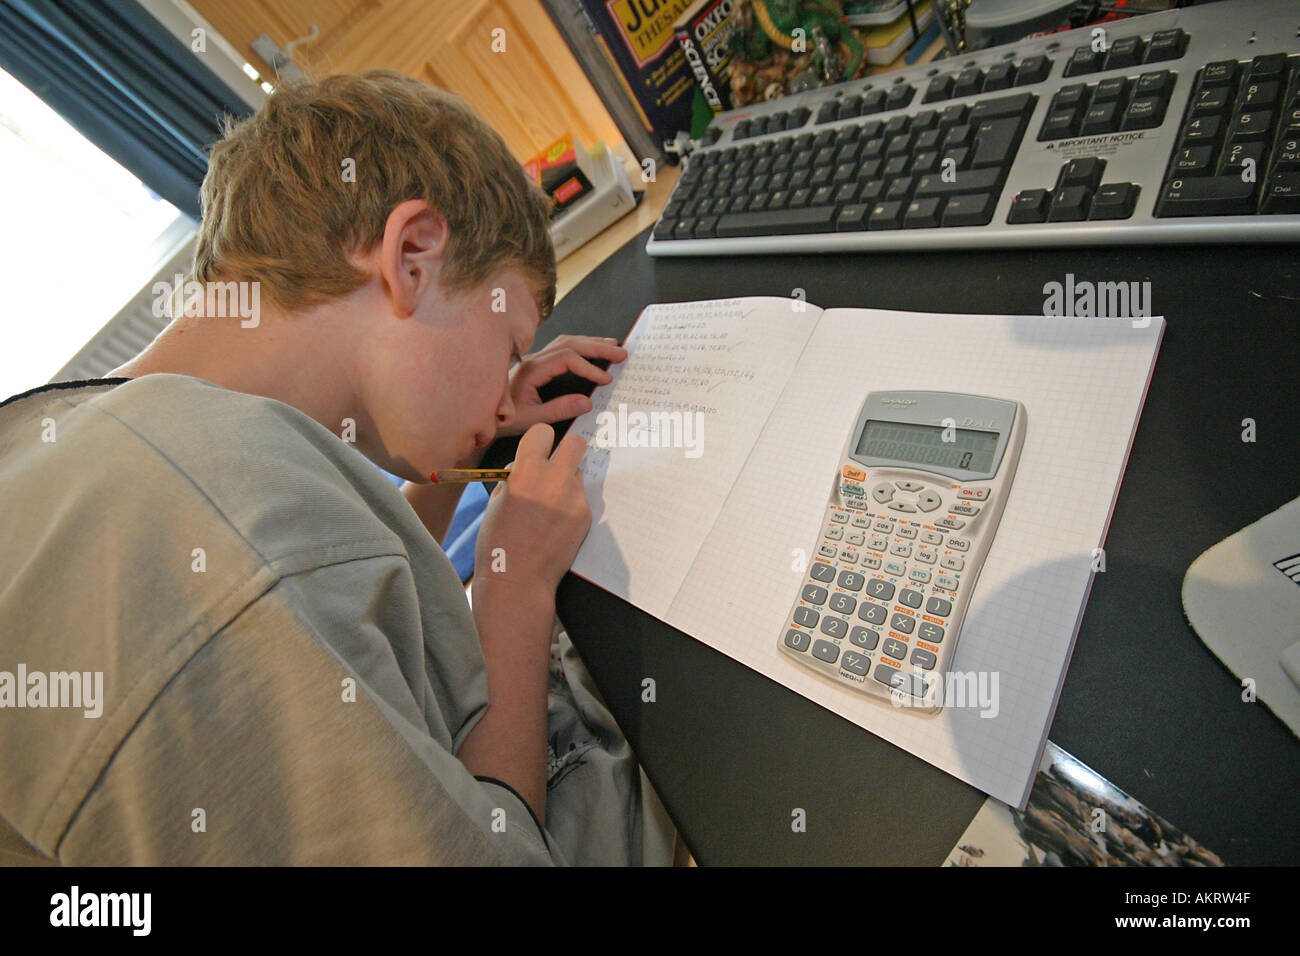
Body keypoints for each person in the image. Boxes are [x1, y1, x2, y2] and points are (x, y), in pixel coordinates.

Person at [0, 70, 677, 865]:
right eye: (509, 346)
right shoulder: (222, 556)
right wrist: (512, 589)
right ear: (414, 255)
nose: (504, 402)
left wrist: (452, 452)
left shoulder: (87, 431)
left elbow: (351, 580)